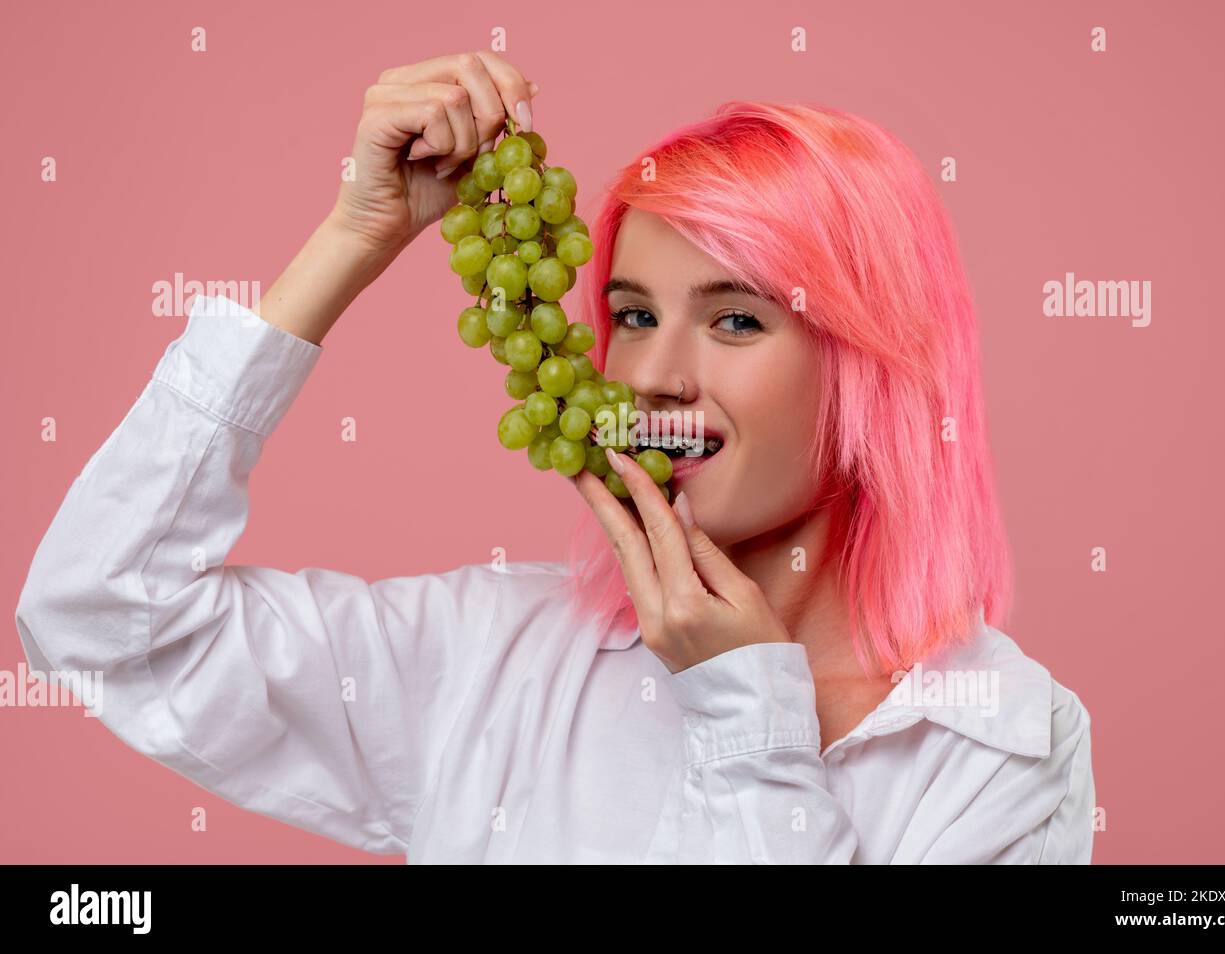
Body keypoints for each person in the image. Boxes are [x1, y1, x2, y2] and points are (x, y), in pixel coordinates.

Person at [14, 50, 1094, 864]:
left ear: (867, 359)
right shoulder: (488, 657)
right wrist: (355, 238)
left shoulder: (1004, 743)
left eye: (735, 322)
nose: (654, 377)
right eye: (629, 315)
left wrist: (742, 709)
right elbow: (102, 620)